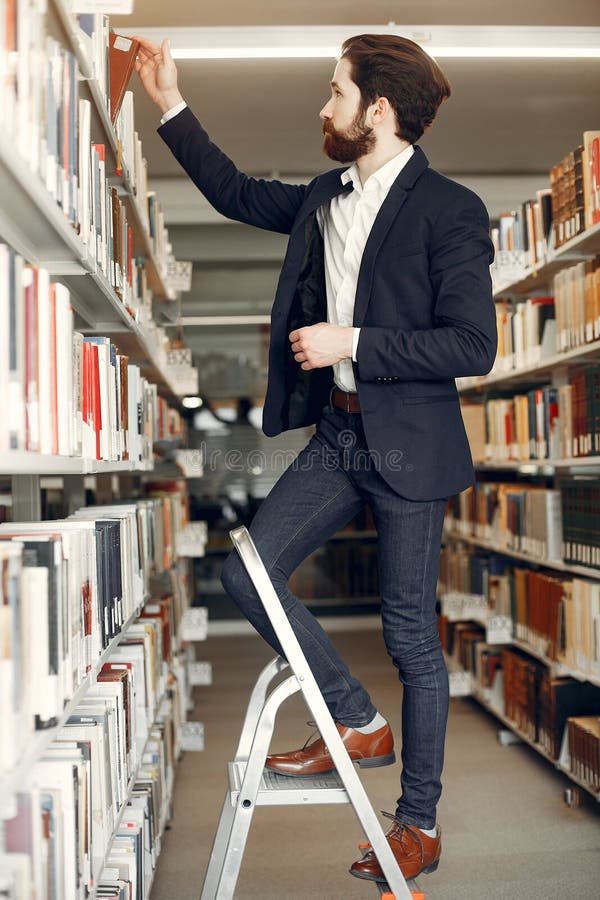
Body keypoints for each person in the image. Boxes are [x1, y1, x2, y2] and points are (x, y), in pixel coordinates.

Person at [134, 32, 497, 882]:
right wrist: (169, 102)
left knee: (410, 634)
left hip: (410, 440)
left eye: (335, 91)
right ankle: (355, 719)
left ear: (378, 109)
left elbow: (472, 342)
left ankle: (419, 823)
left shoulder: (450, 209)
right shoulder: (326, 198)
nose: (322, 106)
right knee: (246, 572)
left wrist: (354, 339)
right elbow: (232, 192)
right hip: (338, 434)